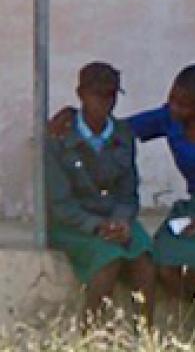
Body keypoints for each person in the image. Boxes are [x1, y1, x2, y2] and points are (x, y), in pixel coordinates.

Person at [51, 65, 195, 334]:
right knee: (162, 265)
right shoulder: (169, 118)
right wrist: (74, 116)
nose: (174, 108)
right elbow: (115, 130)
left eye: (183, 104)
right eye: (171, 99)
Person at [46, 63, 155, 327]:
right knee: (108, 261)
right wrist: (98, 226)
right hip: (73, 223)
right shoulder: (58, 137)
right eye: (98, 95)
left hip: (115, 219)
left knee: (145, 263)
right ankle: (90, 335)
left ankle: (147, 335)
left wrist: (121, 221)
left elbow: (128, 193)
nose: (105, 102)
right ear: (81, 94)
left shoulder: (123, 134)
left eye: (111, 95)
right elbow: (60, 203)